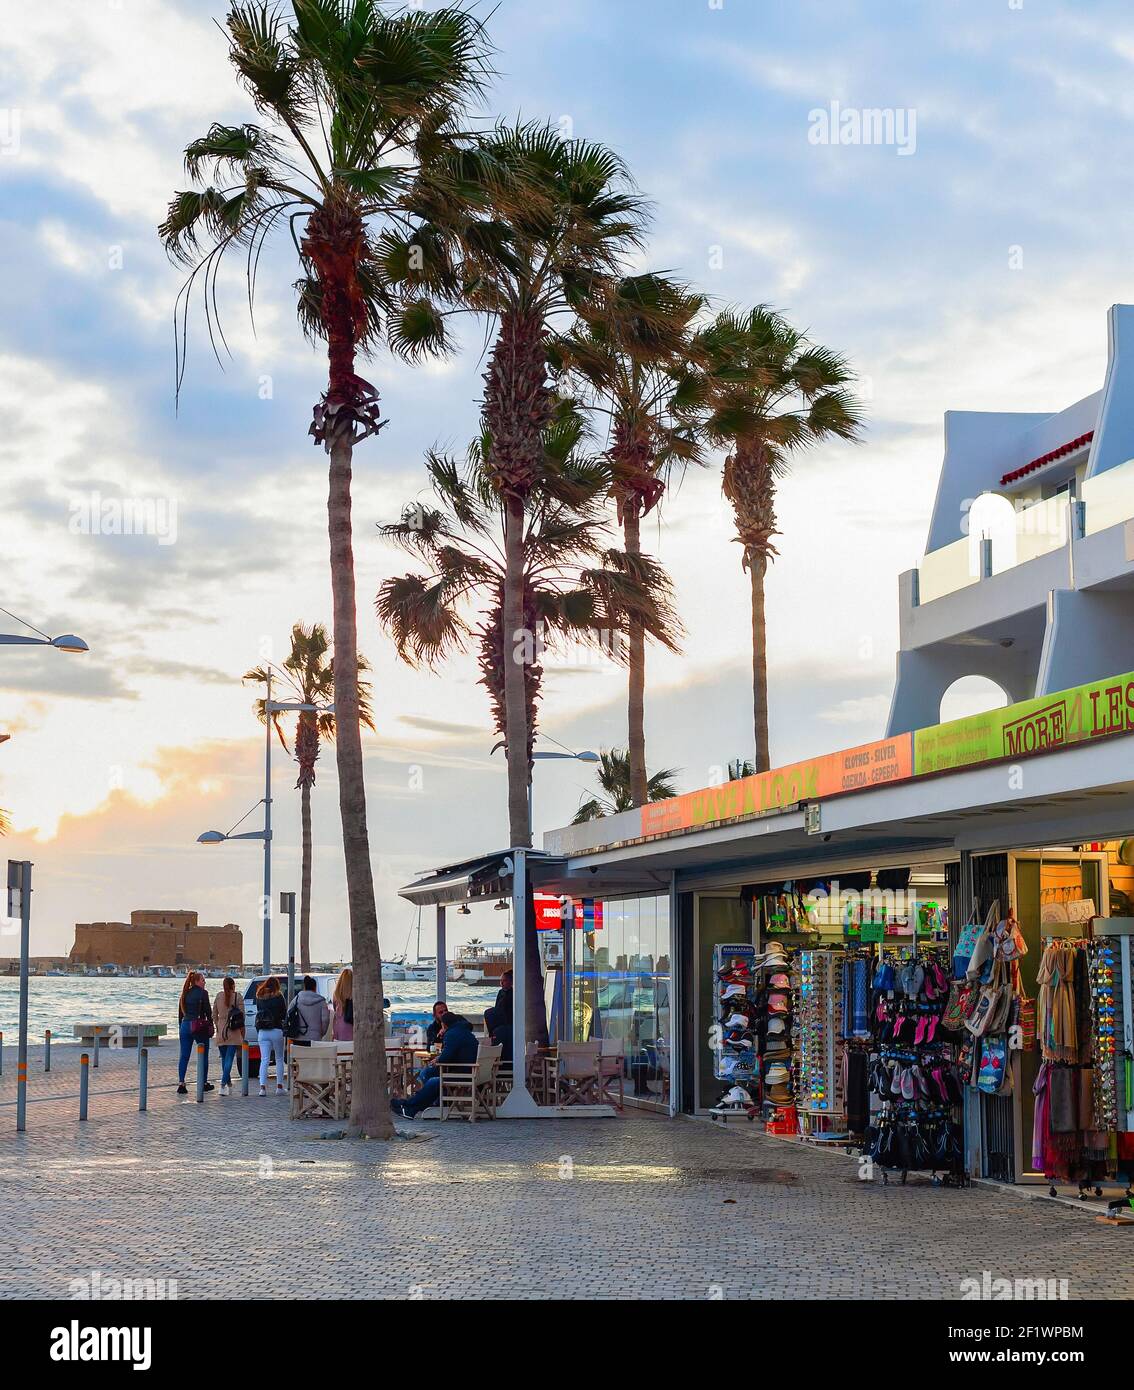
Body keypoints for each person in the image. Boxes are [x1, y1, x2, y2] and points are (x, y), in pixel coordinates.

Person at [392, 1012, 477, 1119]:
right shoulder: (465, 1032)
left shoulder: (452, 1034)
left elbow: (446, 1056)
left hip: (463, 1074)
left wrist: (438, 1059)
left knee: (433, 1081)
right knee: (429, 1073)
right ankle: (413, 1104)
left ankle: (409, 1108)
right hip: (469, 1071)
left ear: (444, 1025)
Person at [177, 970, 213, 1095]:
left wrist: (180, 1028)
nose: (205, 982)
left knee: (184, 1056)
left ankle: (181, 1083)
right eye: (203, 980)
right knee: (203, 1055)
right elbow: (208, 1012)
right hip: (198, 1026)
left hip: (185, 1025)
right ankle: (203, 1083)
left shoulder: (185, 993)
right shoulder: (203, 993)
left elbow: (180, 1013)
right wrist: (211, 1025)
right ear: (197, 981)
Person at [254, 976, 287, 1096]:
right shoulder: (279, 996)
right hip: (276, 1030)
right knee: (279, 1059)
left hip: (262, 1031)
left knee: (264, 1060)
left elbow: (259, 1011)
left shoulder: (260, 997)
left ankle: (262, 1088)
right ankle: (279, 1087)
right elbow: (284, 1013)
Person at [212, 975, 244, 1095]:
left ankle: (229, 1084)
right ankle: (223, 1085)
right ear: (233, 986)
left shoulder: (218, 996)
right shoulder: (237, 996)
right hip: (233, 1031)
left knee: (225, 1059)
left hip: (221, 1031)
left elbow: (214, 1014)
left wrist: (218, 1024)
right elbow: (242, 1015)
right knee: (229, 1059)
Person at [293, 975, 330, 1045]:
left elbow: (290, 1014)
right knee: (313, 1055)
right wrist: (322, 1033)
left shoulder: (296, 999)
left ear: (304, 987)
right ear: (315, 987)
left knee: (299, 1056)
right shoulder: (321, 1001)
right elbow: (325, 1020)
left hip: (298, 1037)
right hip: (315, 1038)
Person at [483, 968, 513, 1038]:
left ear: (511, 982)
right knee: (488, 1013)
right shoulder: (500, 992)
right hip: (499, 1017)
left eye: (504, 981)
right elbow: (497, 1006)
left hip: (507, 1019)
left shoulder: (512, 993)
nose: (502, 983)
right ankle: (492, 1035)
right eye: (501, 981)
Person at [332, 968, 353, 1041]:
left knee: (340, 1050)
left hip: (339, 1026)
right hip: (351, 1025)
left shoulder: (336, 994)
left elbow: (335, 1009)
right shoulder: (355, 994)